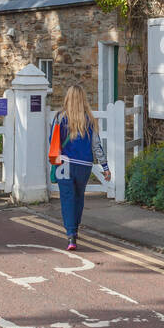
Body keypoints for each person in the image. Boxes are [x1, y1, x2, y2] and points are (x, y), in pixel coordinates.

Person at [50, 84, 110, 250]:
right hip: (84, 165)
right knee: (78, 197)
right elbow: (96, 145)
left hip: (64, 163)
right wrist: (105, 167)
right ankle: (75, 229)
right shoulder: (90, 119)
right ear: (83, 99)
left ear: (68, 98)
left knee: (67, 198)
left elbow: (52, 142)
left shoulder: (59, 117)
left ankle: (71, 236)